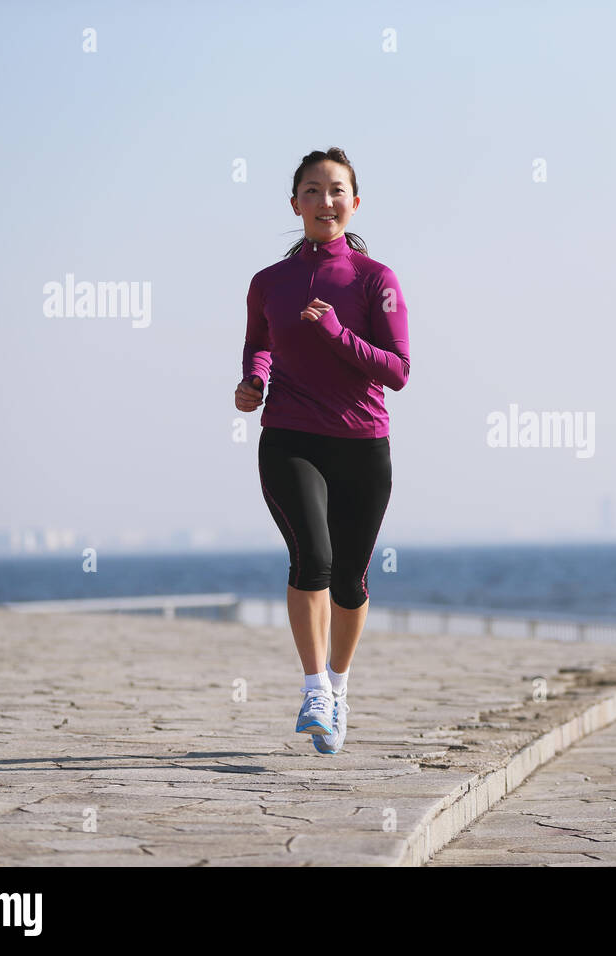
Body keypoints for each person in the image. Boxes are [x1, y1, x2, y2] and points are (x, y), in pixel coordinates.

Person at [234, 147, 410, 754]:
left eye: (336, 190)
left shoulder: (376, 280)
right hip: (290, 436)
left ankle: (338, 686)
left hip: (363, 443)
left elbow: (398, 370)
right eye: (312, 190)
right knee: (314, 556)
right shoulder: (268, 283)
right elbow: (261, 343)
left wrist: (337, 333)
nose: (324, 201)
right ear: (295, 204)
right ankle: (313, 689)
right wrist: (254, 381)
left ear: (354, 202)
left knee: (351, 581)